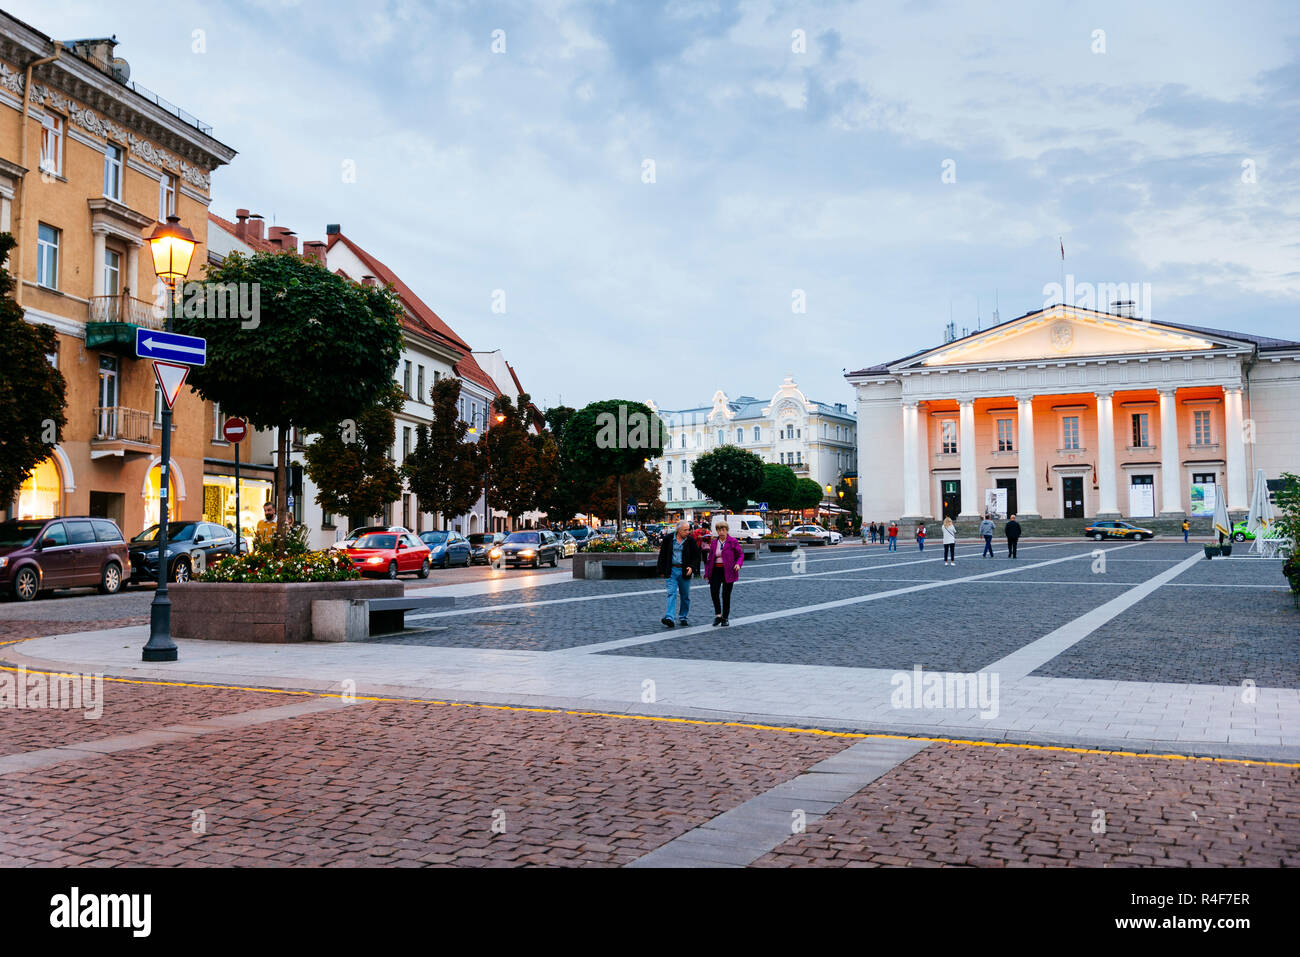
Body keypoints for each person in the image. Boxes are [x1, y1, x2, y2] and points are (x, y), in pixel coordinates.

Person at [657, 520, 700, 628]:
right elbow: (662, 555)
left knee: (685, 596)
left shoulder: (690, 540)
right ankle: (669, 618)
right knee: (671, 593)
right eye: (685, 530)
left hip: (684, 570)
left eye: (688, 530)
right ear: (678, 530)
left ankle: (683, 617)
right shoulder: (668, 539)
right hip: (671, 570)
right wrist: (661, 570)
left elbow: (696, 556)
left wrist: (692, 567)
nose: (688, 532)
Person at [704, 521, 744, 626]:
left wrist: (738, 564)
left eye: (723, 530)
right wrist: (707, 574)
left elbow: (740, 555)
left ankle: (725, 618)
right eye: (719, 530)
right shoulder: (714, 543)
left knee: (726, 595)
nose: (721, 532)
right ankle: (718, 615)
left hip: (729, 570)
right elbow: (710, 559)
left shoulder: (732, 541)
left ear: (727, 530)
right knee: (714, 592)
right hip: (716, 570)